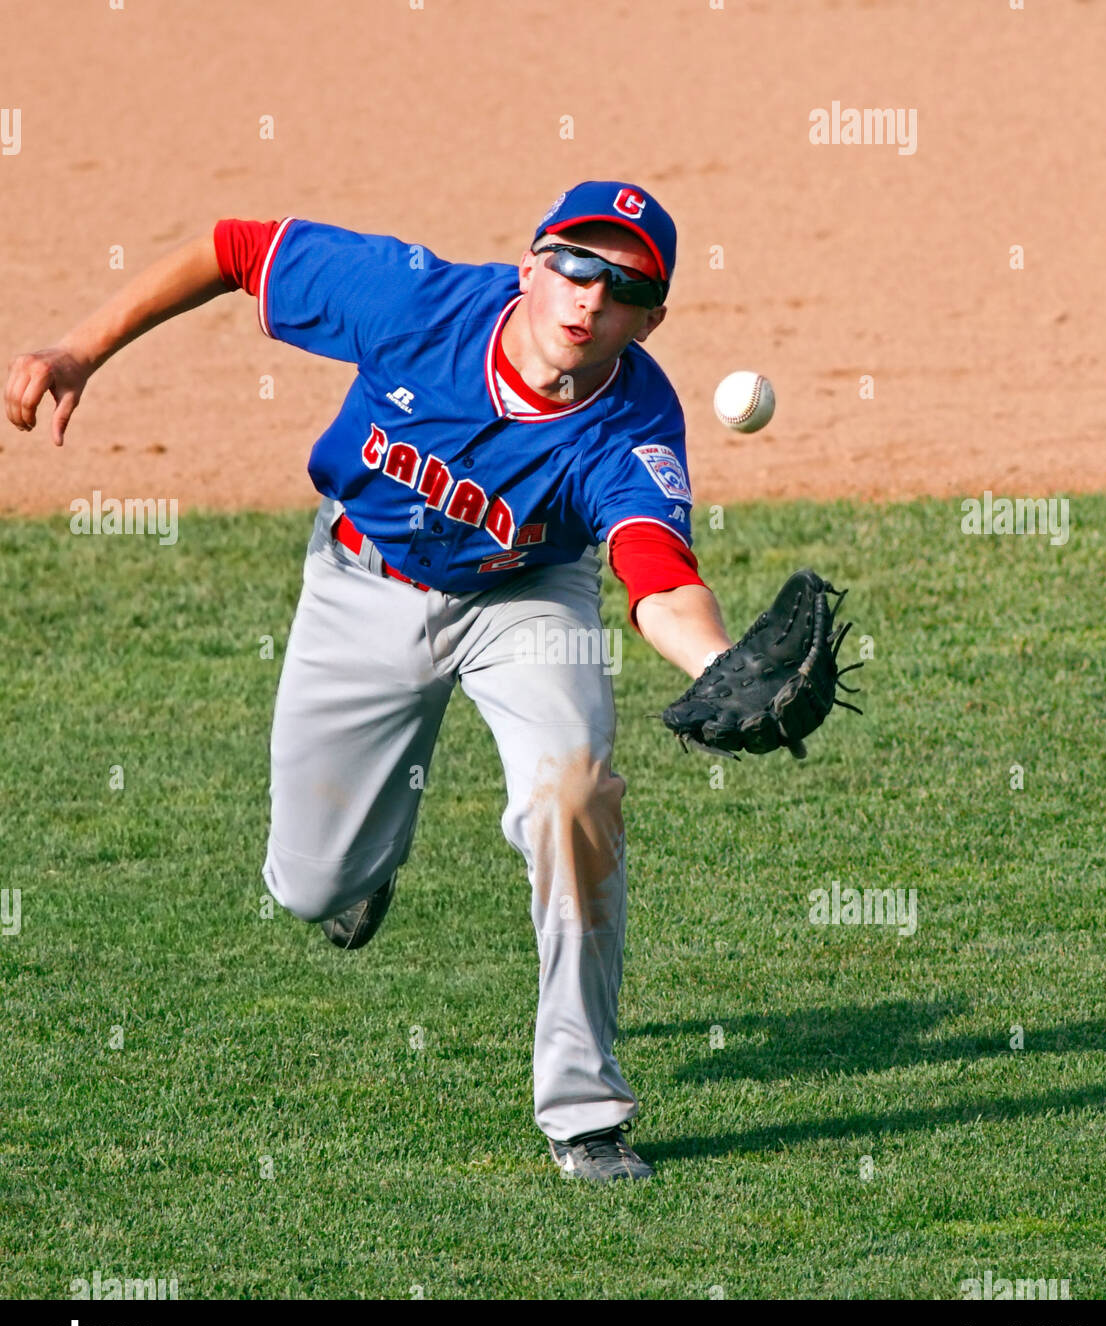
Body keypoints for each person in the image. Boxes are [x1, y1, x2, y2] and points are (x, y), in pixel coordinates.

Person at [5, 181, 736, 1183]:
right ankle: (362, 867)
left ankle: (583, 1110)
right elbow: (233, 245)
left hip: (525, 600)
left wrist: (719, 666)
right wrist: (79, 348)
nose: (587, 297)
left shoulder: (634, 420)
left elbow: (655, 569)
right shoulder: (415, 301)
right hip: (361, 585)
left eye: (621, 284)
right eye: (573, 264)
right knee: (307, 887)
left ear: (649, 317)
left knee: (574, 797)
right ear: (529, 265)